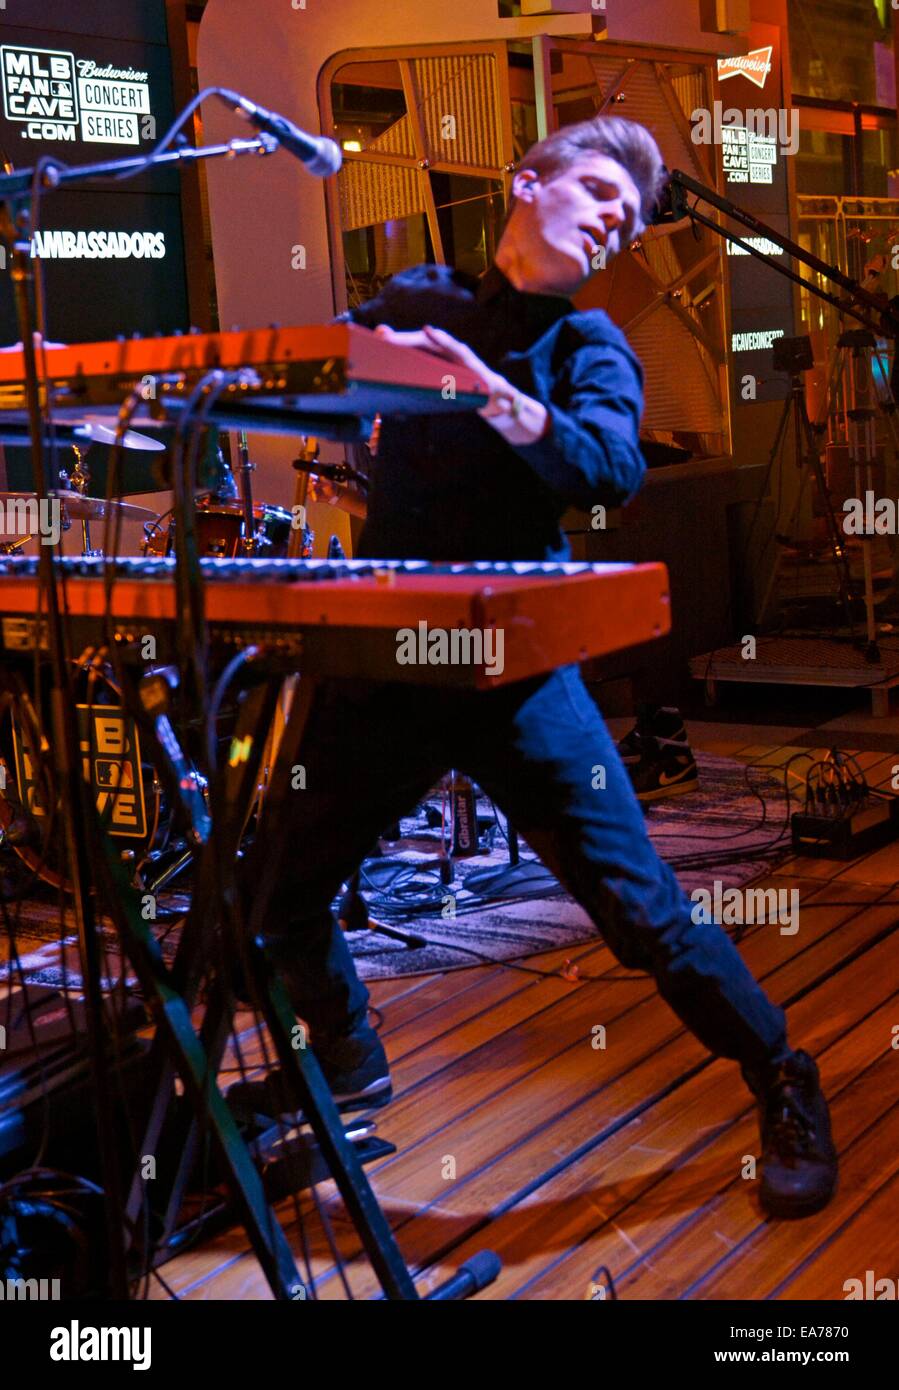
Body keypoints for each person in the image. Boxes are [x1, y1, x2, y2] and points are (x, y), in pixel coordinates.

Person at [233, 115, 837, 1219]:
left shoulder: (588, 346)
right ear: (528, 184)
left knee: (641, 915)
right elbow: (312, 374)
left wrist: (490, 393)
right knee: (274, 886)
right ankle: (349, 1055)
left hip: (516, 674)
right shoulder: (416, 297)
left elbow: (604, 473)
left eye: (627, 214)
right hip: (397, 659)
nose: (616, 221)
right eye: (602, 191)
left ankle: (782, 1076)